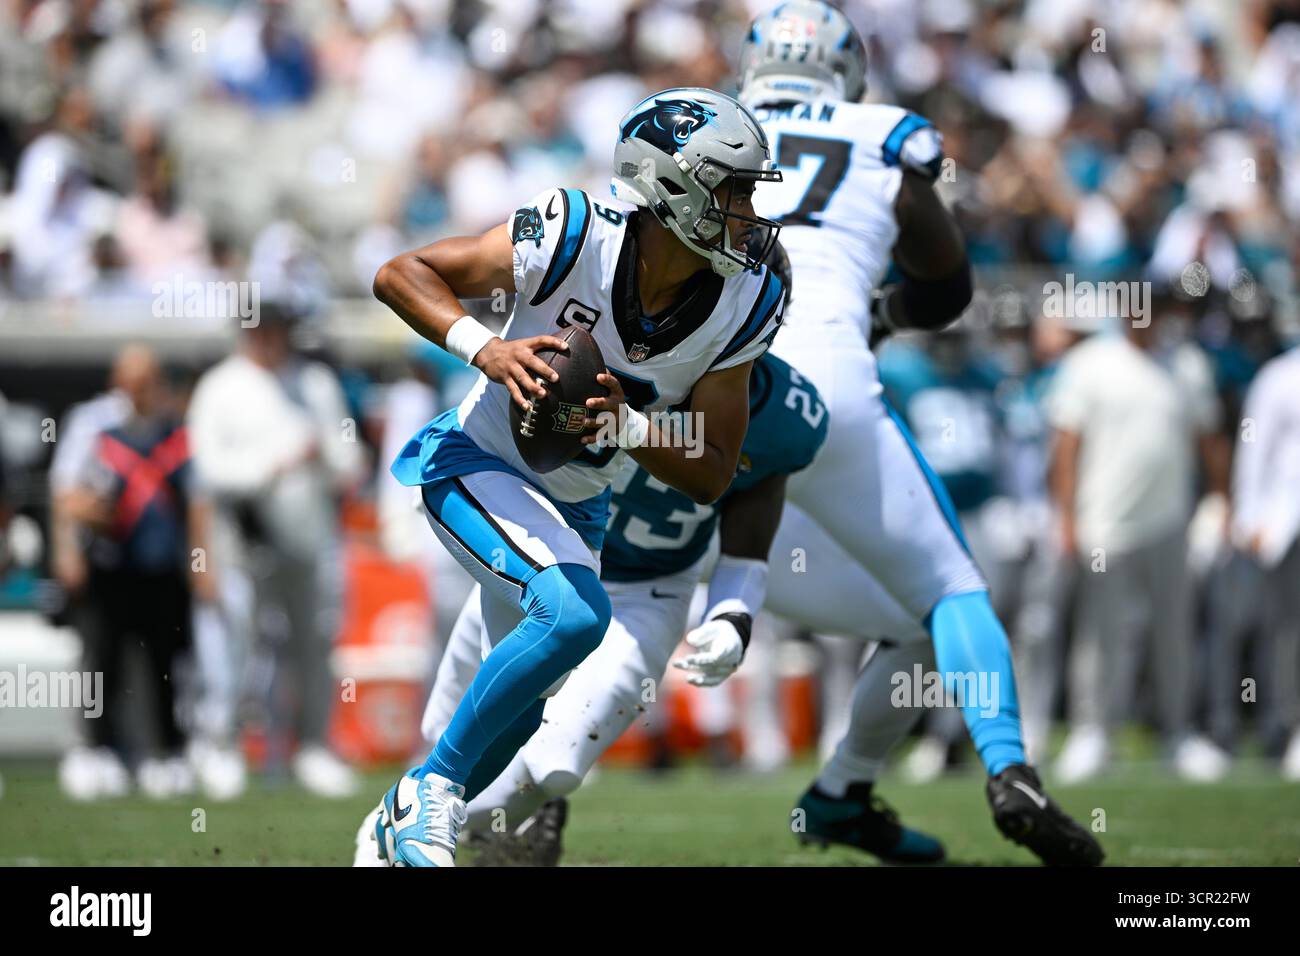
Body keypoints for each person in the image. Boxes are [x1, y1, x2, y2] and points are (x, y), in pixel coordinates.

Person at [367, 86, 787, 866]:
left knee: (521, 719)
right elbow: (401, 272)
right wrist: (483, 349)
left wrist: (628, 425)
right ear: (673, 186)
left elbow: (713, 472)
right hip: (477, 462)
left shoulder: (747, 298)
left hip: (576, 508)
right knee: (573, 615)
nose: (747, 213)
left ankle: (388, 831)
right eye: (731, 190)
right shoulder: (571, 232)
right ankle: (426, 796)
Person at [738, 2, 1100, 864]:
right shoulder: (880, 133)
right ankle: (1009, 770)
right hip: (824, 381)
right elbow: (948, 288)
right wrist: (884, 314)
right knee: (947, 595)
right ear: (846, 67)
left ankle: (838, 796)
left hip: (703, 390)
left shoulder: (707, 127)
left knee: (625, 589)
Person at [187, 303, 366, 797]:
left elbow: (349, 460)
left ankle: (313, 746)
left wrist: (323, 457)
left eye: (278, 326)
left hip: (310, 537)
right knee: (236, 643)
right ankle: (220, 744)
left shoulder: (315, 384)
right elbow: (208, 470)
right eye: (260, 327)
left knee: (314, 641)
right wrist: (272, 467)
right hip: (242, 539)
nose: (269, 336)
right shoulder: (220, 386)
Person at [1048, 305, 1231, 782]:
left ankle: (1178, 734)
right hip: (1104, 525)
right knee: (1100, 636)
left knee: (1174, 632)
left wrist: (1221, 500)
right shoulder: (1090, 364)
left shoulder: (1187, 365)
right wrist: (1066, 519)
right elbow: (1066, 444)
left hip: (1171, 523)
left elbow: (1207, 437)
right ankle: (1094, 734)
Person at [55, 345, 209, 799]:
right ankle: (96, 750)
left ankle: (167, 752)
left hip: (162, 564)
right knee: (102, 661)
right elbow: (66, 492)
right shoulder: (94, 423)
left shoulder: (174, 428)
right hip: (109, 563)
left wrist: (201, 563)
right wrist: (71, 548)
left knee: (166, 660)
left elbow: (196, 499)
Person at [1229, 343, 1300, 779]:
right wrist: (1249, 514)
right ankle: (1291, 729)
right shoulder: (1279, 375)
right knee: (1288, 634)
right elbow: (1254, 448)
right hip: (1288, 522)